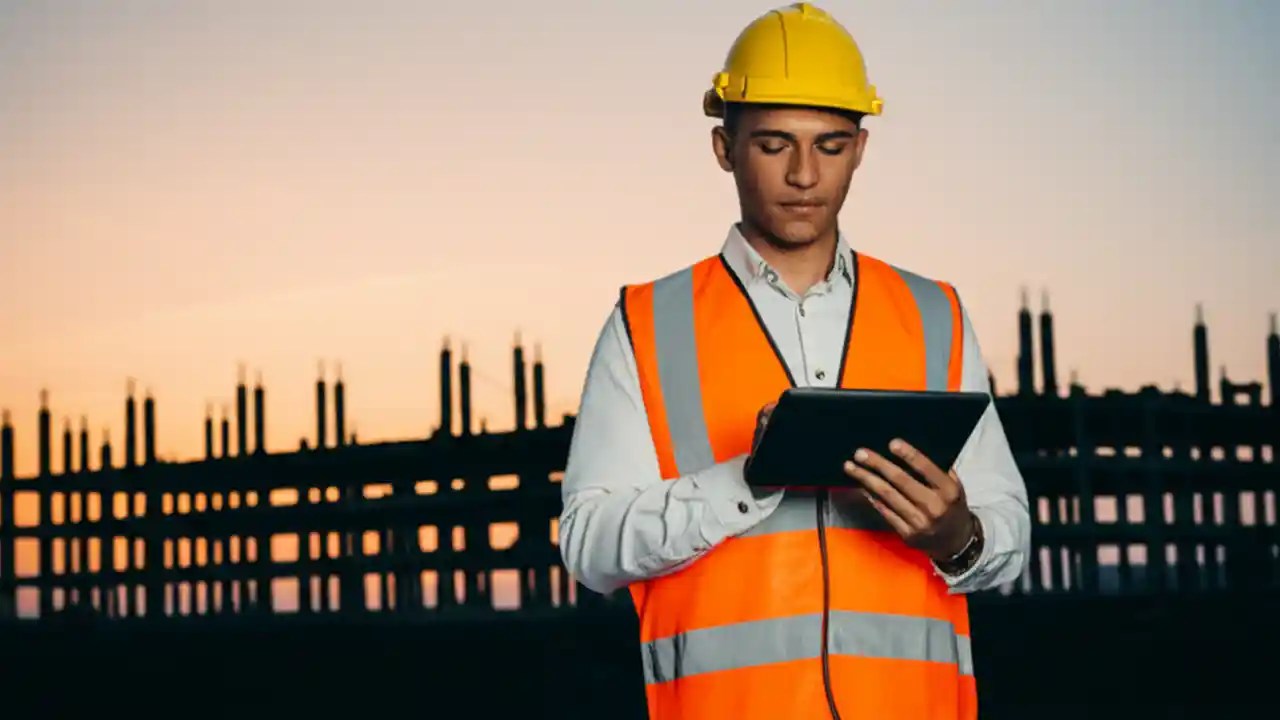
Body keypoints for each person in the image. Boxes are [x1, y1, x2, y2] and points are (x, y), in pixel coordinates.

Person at [557, 3, 1031, 719]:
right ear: (725, 147)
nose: (805, 174)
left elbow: (1010, 532)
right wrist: (743, 482)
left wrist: (956, 536)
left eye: (831, 146)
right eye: (775, 144)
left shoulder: (935, 314)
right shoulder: (647, 322)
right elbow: (588, 547)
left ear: (861, 149)